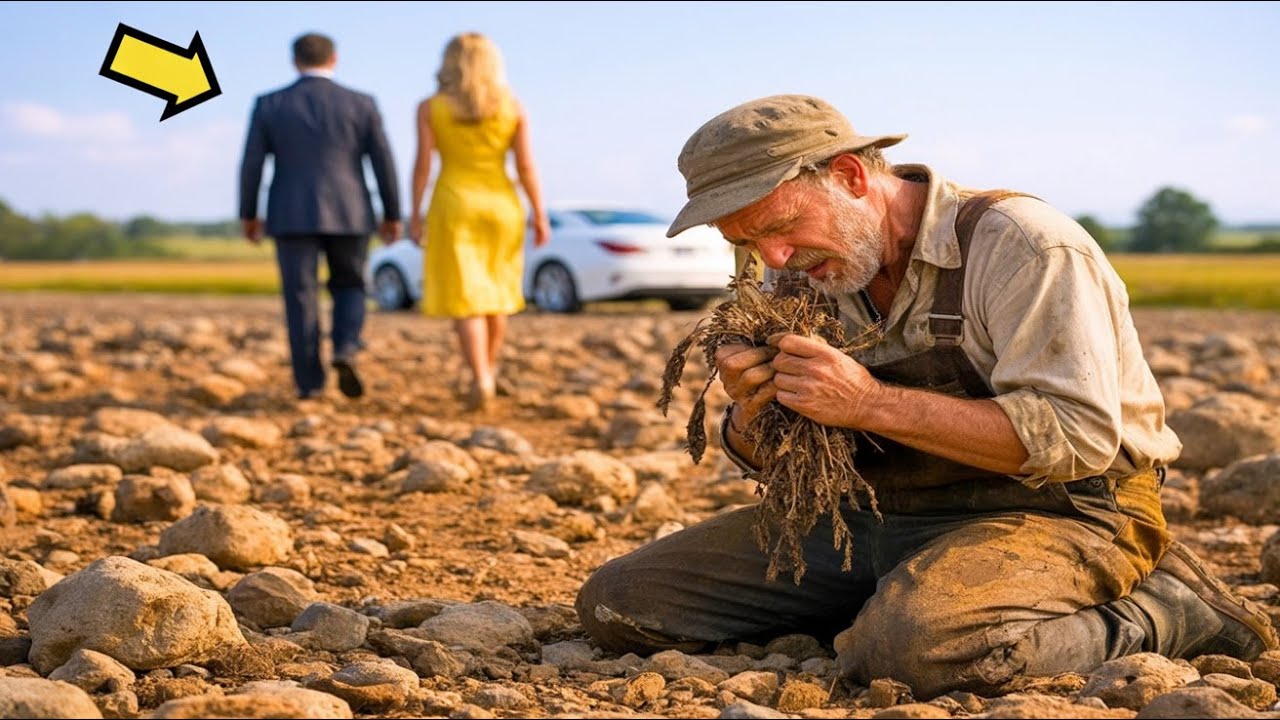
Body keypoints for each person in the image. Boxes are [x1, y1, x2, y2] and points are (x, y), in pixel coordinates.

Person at [575, 94, 1278, 698]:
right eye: (750, 244)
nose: (775, 261)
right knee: (622, 604)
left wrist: (869, 404)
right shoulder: (803, 275)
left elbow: (1078, 438)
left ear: (850, 175)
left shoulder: (1023, 247)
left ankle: (1171, 608)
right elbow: (783, 458)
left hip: (1062, 511)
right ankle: (917, 596)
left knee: (907, 655)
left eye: (781, 228)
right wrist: (755, 413)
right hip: (876, 515)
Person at [239, 32, 401, 400]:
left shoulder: (270, 104)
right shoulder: (361, 103)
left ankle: (309, 383)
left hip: (290, 212)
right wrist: (392, 213)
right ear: (334, 59)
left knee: (300, 296)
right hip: (350, 210)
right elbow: (383, 161)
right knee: (351, 285)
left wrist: (249, 213)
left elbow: (252, 163)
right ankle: (344, 347)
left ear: (295, 61)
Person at [408, 32, 550, 412]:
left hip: (453, 202)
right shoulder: (512, 106)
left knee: (466, 298)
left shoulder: (430, 107)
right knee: (497, 295)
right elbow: (525, 166)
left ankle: (481, 376)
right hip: (501, 203)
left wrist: (414, 212)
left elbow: (423, 166)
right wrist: (538, 213)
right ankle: (490, 366)